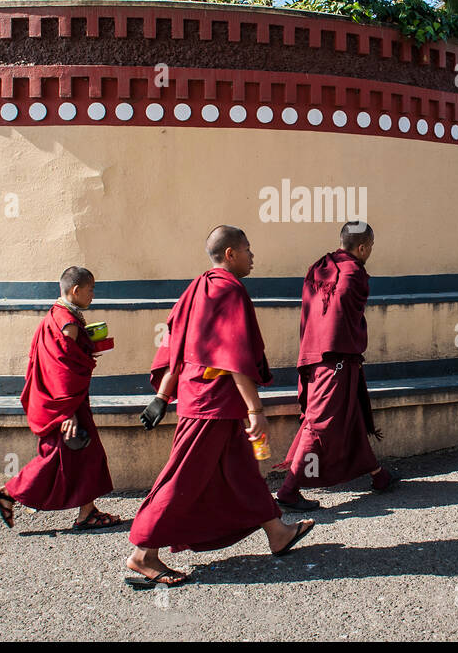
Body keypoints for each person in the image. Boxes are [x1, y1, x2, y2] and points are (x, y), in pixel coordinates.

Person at [125, 225, 314, 588]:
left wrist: (163, 394)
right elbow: (232, 357)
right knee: (183, 476)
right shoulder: (228, 290)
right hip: (211, 402)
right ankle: (143, 554)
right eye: (247, 249)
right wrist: (255, 411)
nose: (252, 256)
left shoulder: (196, 289)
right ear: (230, 254)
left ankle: (277, 532)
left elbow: (175, 345)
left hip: (205, 396)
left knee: (242, 469)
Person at [275, 222, 397, 512]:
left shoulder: (319, 266)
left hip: (315, 356)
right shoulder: (355, 273)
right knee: (319, 424)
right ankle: (288, 490)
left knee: (351, 414)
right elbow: (348, 317)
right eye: (371, 248)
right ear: (364, 247)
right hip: (337, 360)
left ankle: (379, 476)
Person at [0, 267, 119, 531]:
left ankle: (87, 512)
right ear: (76, 290)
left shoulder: (59, 315)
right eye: (90, 289)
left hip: (66, 398)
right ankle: (8, 492)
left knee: (86, 453)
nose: (93, 294)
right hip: (66, 401)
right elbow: (62, 368)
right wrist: (67, 411)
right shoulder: (67, 322)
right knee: (56, 456)